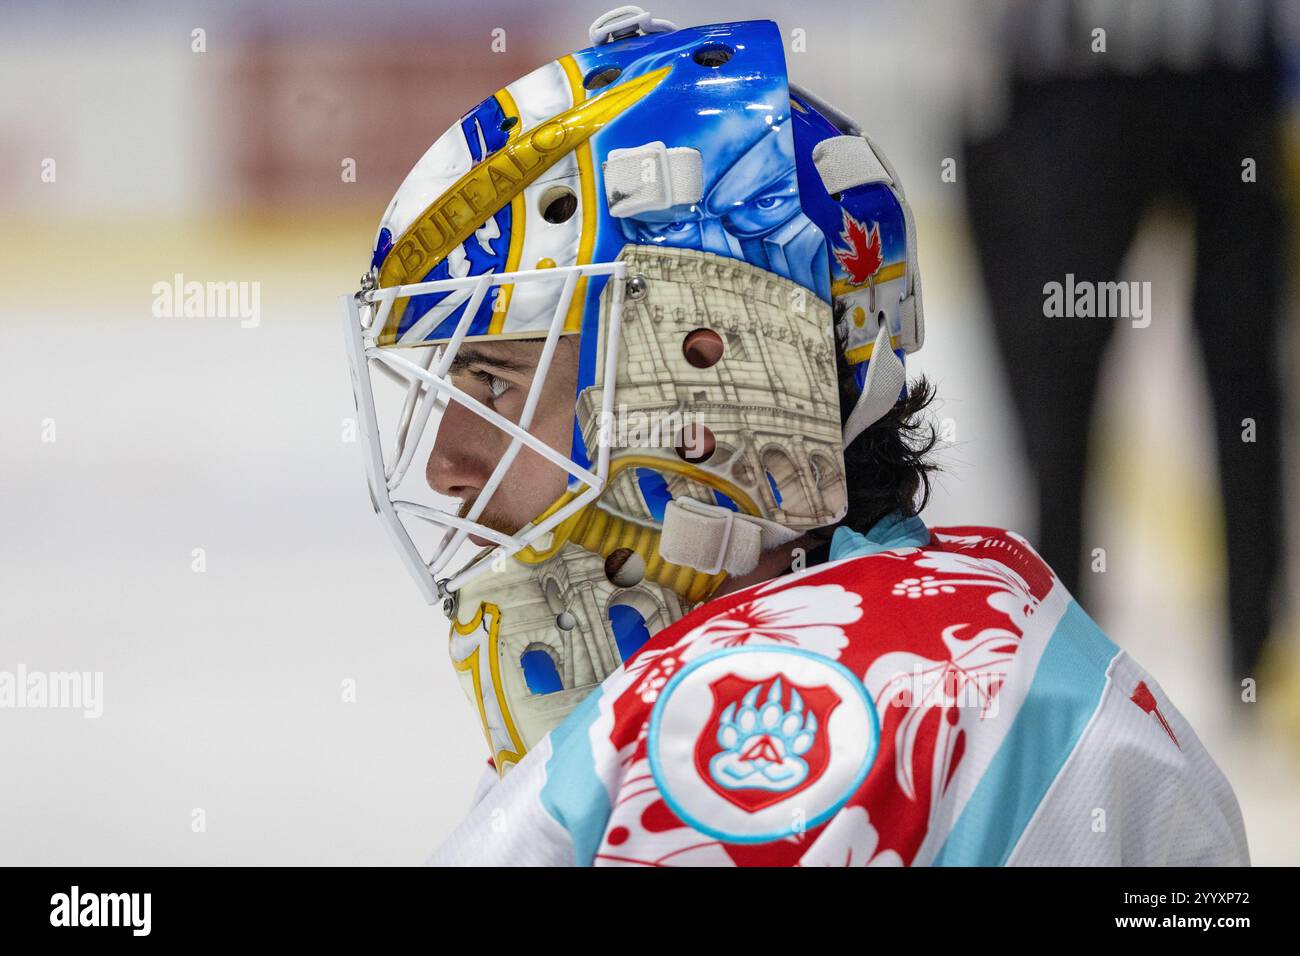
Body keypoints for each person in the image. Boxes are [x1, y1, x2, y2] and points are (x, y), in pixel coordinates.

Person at [341, 7, 1248, 866]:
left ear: (713, 363)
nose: (444, 467)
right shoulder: (1052, 654)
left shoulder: (697, 749)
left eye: (498, 383)